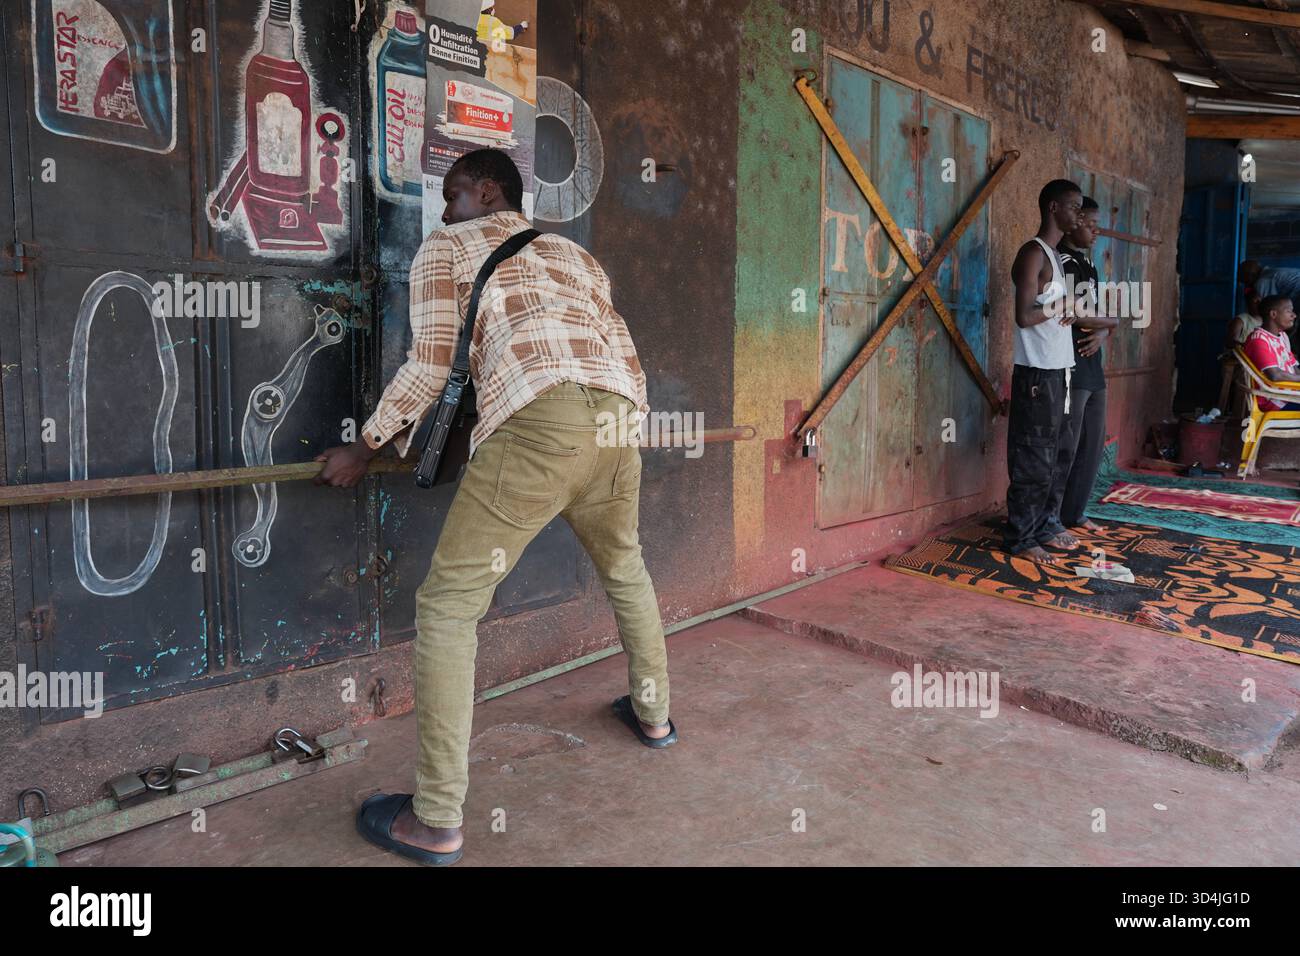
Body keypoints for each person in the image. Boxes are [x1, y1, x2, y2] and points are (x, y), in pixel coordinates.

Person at [316, 149, 675, 866]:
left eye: (451, 195)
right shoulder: (577, 255)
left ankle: (436, 819)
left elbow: (430, 363)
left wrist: (366, 444)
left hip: (542, 418)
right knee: (626, 568)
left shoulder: (447, 244)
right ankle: (655, 716)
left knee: (449, 606)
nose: (444, 210)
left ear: (486, 192)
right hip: (619, 420)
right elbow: (623, 347)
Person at [1004, 179, 1083, 564]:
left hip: (1061, 371)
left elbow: (1054, 311)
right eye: (1073, 207)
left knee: (1060, 454)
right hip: (1037, 375)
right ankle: (1022, 536)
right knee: (1034, 457)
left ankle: (1047, 523)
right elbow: (1023, 317)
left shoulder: (1054, 256)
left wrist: (1067, 307)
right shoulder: (1032, 253)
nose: (1078, 215)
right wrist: (1058, 306)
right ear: (1053, 208)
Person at [1043, 196, 1117, 535]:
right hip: (1072, 363)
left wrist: (1103, 329)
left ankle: (1075, 512)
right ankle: (1052, 517)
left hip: (1093, 365)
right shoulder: (1064, 263)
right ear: (1073, 223)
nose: (1095, 230)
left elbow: (1093, 317)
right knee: (1067, 444)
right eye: (1090, 223)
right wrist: (1109, 323)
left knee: (1091, 441)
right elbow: (1076, 314)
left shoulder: (1088, 266)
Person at [1242, 294, 1300, 411]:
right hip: (1274, 400)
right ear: (1273, 314)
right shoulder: (1259, 340)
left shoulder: (1282, 336)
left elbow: (1294, 367)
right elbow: (1275, 375)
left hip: (1289, 394)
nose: (1294, 315)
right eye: (1289, 311)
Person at [1218, 290, 1261, 415]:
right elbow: (1230, 342)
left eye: (1260, 301)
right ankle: (1238, 414)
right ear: (1248, 304)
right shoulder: (1242, 319)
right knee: (1246, 374)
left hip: (1255, 360)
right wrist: (1248, 346)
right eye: (1255, 301)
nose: (1258, 303)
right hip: (1241, 359)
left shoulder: (1266, 322)